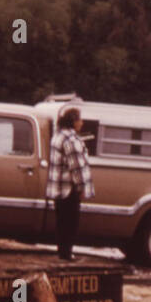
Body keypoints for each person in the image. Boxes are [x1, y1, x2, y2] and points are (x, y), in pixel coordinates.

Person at [46, 107, 94, 261]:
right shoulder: (71, 140)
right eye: (80, 119)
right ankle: (67, 254)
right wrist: (82, 187)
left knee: (61, 222)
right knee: (71, 222)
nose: (82, 122)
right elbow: (77, 167)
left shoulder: (57, 136)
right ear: (73, 121)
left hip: (57, 187)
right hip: (69, 188)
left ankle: (62, 252)